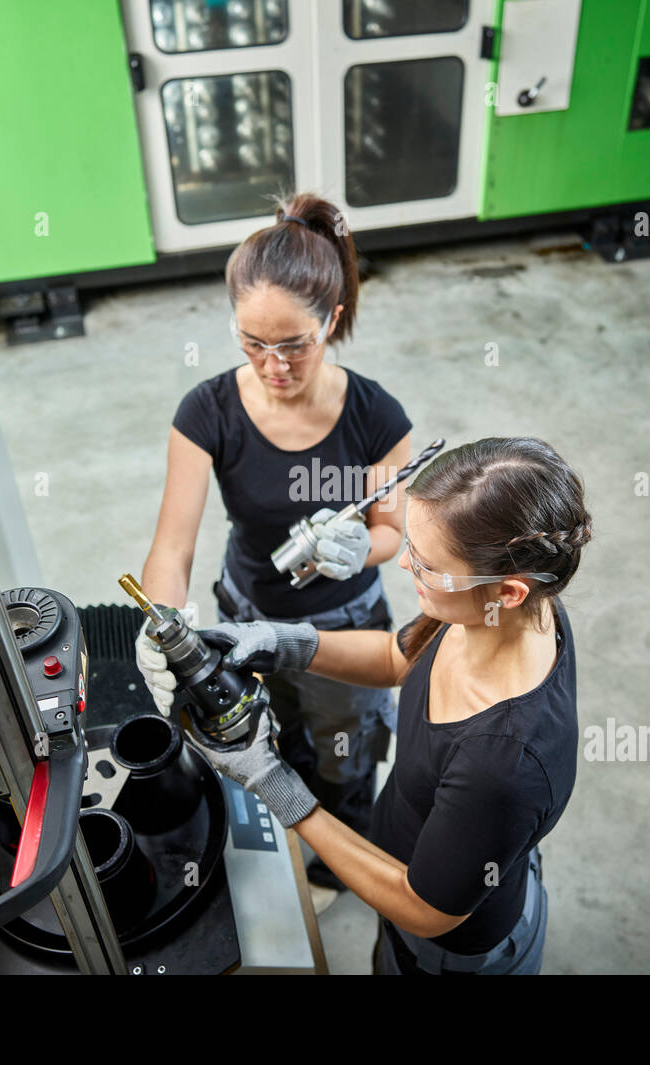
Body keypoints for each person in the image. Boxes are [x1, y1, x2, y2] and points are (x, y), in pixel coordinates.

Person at [192, 437, 590, 975]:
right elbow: (394, 656)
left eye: (425, 565)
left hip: (448, 949)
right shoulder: (508, 608)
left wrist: (274, 783)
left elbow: (422, 908)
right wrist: (282, 642)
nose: (403, 564)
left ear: (509, 591)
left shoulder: (502, 766)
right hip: (430, 850)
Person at [136, 192, 412, 890]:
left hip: (346, 629)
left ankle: (337, 871)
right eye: (253, 344)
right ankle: (281, 859)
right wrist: (164, 617)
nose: (274, 366)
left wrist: (362, 547)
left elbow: (393, 532)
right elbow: (173, 545)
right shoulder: (207, 411)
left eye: (295, 344)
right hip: (248, 614)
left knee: (343, 758)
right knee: (257, 741)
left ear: (334, 320)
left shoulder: (377, 416)